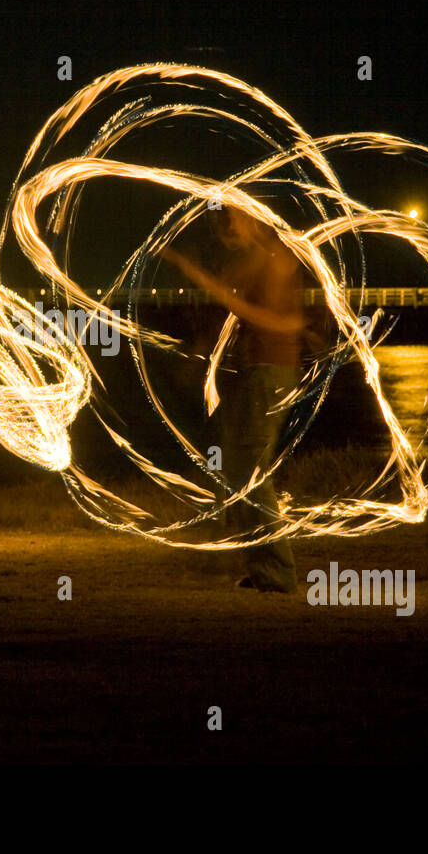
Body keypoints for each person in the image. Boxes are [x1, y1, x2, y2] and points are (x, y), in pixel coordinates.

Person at [159, 204, 316, 592]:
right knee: (235, 467)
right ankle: (261, 565)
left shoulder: (276, 259)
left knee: (249, 473)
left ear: (250, 218)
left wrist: (195, 272)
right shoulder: (258, 260)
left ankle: (279, 571)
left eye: (230, 221)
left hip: (269, 374)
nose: (224, 232)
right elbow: (231, 296)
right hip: (254, 372)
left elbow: (274, 317)